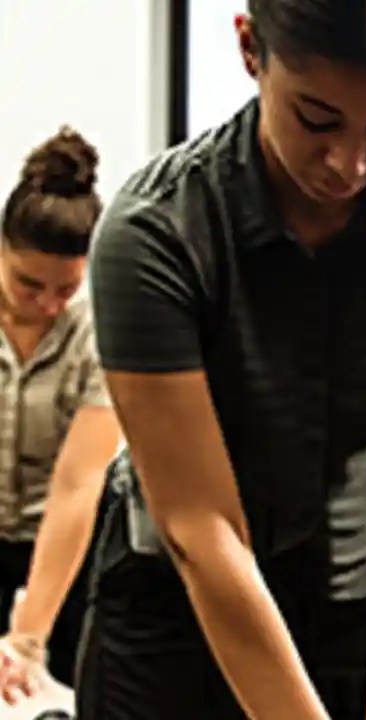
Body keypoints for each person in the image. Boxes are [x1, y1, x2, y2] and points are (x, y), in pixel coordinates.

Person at [80, 1, 366, 718]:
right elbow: (200, 526)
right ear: (251, 50)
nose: (352, 162)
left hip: (353, 606)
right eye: (317, 119)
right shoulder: (155, 230)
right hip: (174, 615)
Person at [0, 128, 121, 693]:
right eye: (29, 285)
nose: (49, 304)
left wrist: (26, 638)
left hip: (66, 550)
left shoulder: (100, 334)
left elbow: (78, 483)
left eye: (65, 288)